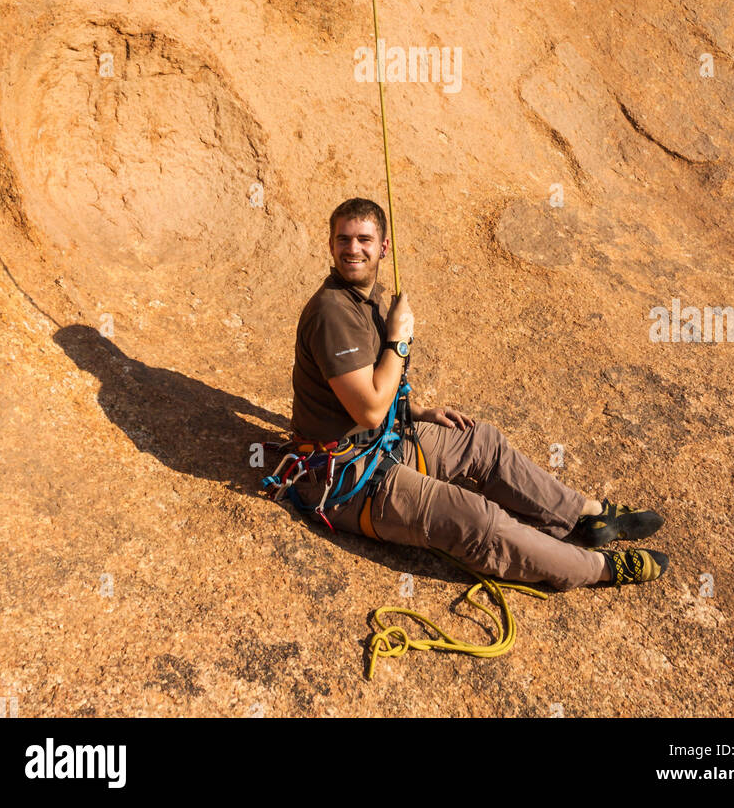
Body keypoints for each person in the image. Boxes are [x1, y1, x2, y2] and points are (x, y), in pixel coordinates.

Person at [278, 197, 670, 592]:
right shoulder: (332, 312)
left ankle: (584, 515)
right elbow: (368, 411)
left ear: (384, 247)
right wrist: (397, 341)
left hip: (382, 442)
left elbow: (368, 389)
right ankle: (598, 568)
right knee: (479, 520)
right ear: (330, 246)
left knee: (481, 442)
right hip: (345, 481)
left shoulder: (372, 297)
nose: (352, 249)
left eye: (364, 239)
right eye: (343, 239)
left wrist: (415, 412)